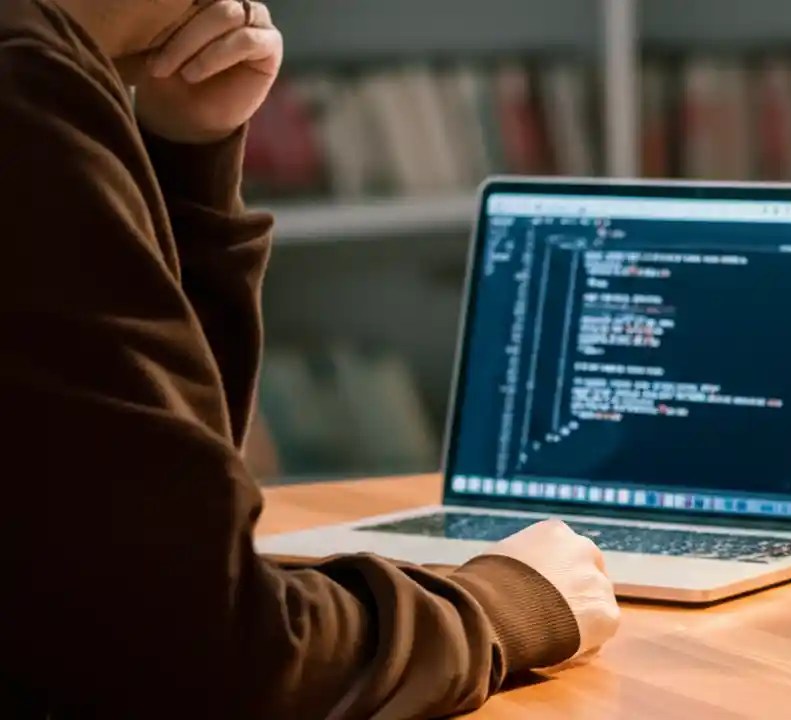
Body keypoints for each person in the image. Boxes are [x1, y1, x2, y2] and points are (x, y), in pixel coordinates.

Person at [0, 0, 620, 717]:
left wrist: (189, 151)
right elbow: (209, 650)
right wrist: (501, 605)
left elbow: (152, 522)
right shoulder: (25, 87)